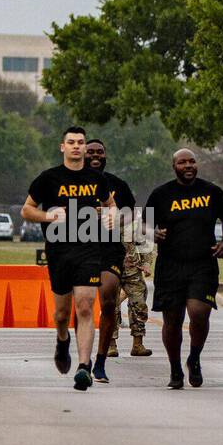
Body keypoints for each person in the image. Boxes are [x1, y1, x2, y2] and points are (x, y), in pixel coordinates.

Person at [23, 127, 114, 391]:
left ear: (85, 148)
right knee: (62, 313)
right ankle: (62, 340)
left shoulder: (96, 179)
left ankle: (84, 367)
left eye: (81, 143)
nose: (77, 146)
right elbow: (26, 210)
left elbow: (111, 206)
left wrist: (111, 215)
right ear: (62, 147)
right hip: (59, 251)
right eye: (71, 142)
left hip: (89, 249)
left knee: (85, 306)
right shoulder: (48, 178)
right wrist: (49, 216)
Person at [146, 149, 223, 389]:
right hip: (170, 265)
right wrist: (153, 233)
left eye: (192, 161)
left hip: (203, 263)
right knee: (172, 319)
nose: (188, 165)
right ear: (174, 165)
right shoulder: (161, 194)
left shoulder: (211, 192)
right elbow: (144, 224)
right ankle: (175, 368)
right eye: (182, 162)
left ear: (197, 165)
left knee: (198, 312)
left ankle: (194, 358)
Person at [84, 138, 137, 383]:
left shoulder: (118, 185)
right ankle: (82, 357)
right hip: (80, 248)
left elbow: (128, 215)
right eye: (90, 152)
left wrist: (108, 216)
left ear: (106, 156)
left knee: (108, 302)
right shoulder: (71, 183)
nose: (96, 156)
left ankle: (101, 362)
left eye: (100, 152)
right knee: (83, 306)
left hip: (109, 249)